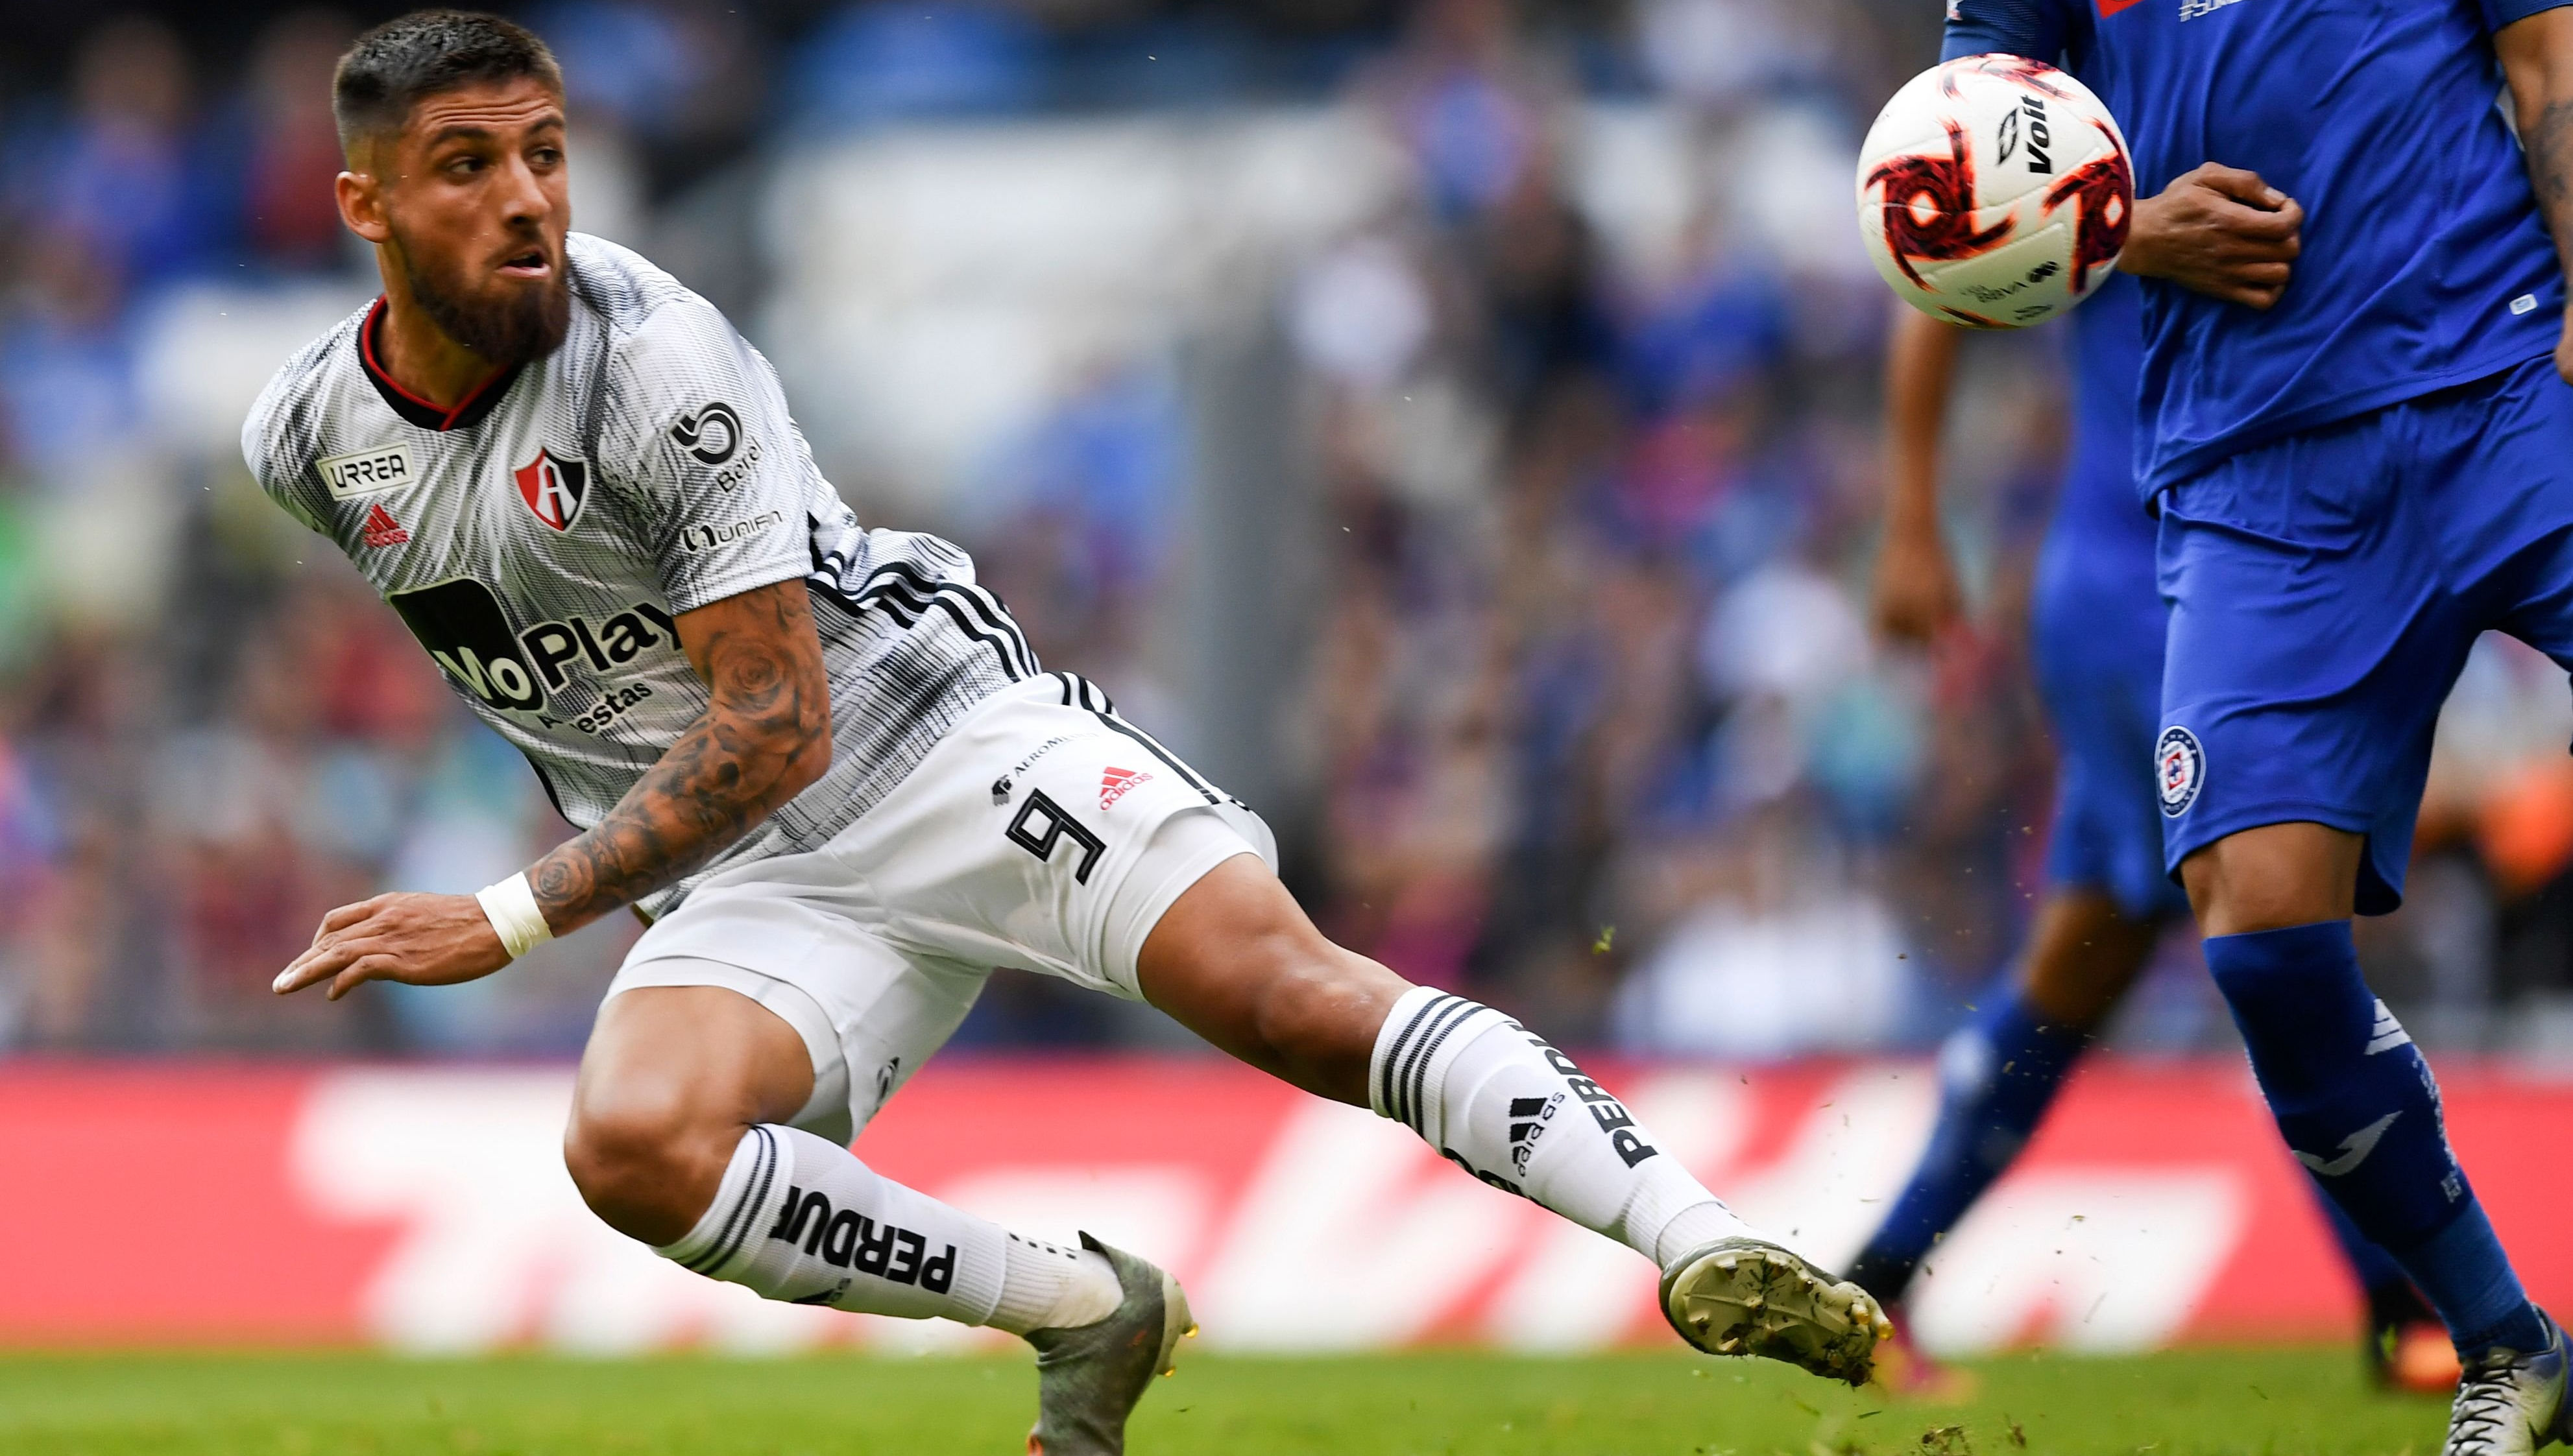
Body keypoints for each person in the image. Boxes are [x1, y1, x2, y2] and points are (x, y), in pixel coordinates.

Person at [243, 12, 1889, 1450]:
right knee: (633, 1146)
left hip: (935, 743)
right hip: (751, 879)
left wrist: (511, 913)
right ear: (365, 206)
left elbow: (774, 721)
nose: (527, 199)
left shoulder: (656, 359)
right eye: (467, 167)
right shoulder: (306, 439)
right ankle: (1085, 1306)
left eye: (545, 153)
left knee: (1290, 999)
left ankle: (1699, 1242)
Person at [1889, 0, 2573, 1448]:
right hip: (2244, 488)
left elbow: (2548, 53)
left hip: (2503, 391)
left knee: (2089, 946)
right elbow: (1946, 181)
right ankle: (2493, 1337)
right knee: (2252, 936)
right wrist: (2125, 225)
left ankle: (1896, 1256)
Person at [1854, 274, 2457, 1394]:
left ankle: (1875, 1281)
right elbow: (1938, 268)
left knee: (2083, 961)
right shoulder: (2090, 112)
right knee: (2281, 927)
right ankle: (2406, 1304)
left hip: (2212, 588)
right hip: (2158, 599)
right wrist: (1910, 520)